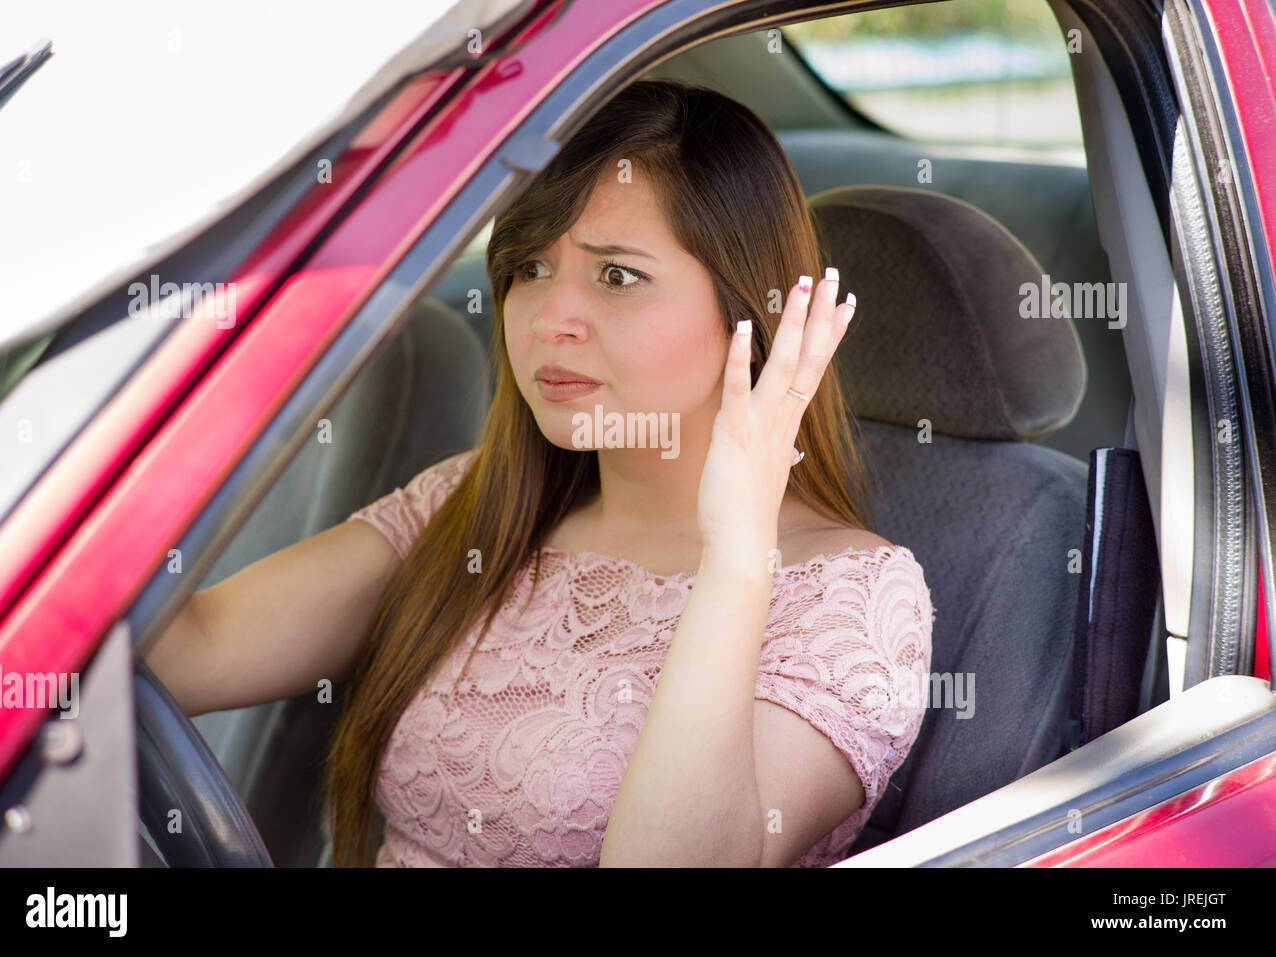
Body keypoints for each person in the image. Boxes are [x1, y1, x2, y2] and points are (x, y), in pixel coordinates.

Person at [143, 79, 934, 868]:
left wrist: (734, 555)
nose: (550, 319)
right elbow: (188, 652)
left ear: (752, 310)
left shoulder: (849, 598)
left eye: (617, 275)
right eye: (529, 267)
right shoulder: (471, 505)